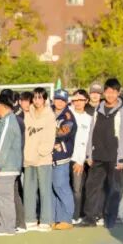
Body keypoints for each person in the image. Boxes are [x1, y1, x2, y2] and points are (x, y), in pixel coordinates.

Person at [83, 78, 123, 227]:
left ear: (118, 93)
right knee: (92, 187)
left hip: (114, 157)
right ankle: (90, 217)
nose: (110, 95)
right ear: (104, 92)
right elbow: (91, 132)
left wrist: (122, 158)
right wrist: (89, 154)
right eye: (108, 92)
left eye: (114, 92)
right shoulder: (97, 110)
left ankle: (110, 218)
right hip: (97, 155)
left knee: (113, 188)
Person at [0, 89, 22, 236]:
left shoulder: (9, 121)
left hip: (5, 167)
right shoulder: (3, 121)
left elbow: (2, 146)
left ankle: (8, 227)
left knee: (3, 198)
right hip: (0, 167)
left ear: (2, 105)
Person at [22, 87, 56, 231]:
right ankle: (30, 219)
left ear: (45, 99)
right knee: (29, 190)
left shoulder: (49, 115)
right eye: (35, 97)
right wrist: (27, 152)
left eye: (40, 97)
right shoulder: (27, 114)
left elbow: (50, 137)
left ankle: (46, 220)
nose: (37, 100)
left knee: (44, 190)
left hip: (43, 159)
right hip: (28, 157)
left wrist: (41, 151)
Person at [50, 89, 77, 230]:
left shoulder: (68, 116)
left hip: (61, 156)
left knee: (62, 186)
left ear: (66, 102)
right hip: (50, 156)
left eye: (62, 100)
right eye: (57, 99)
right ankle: (56, 218)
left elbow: (62, 133)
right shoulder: (50, 112)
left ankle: (67, 218)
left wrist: (46, 130)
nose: (59, 102)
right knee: (53, 188)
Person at [70, 90, 93, 224]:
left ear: (86, 101)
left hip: (78, 159)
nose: (78, 103)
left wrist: (80, 161)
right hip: (64, 158)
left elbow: (87, 142)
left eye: (81, 100)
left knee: (77, 189)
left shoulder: (89, 119)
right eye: (75, 100)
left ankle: (75, 215)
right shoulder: (67, 115)